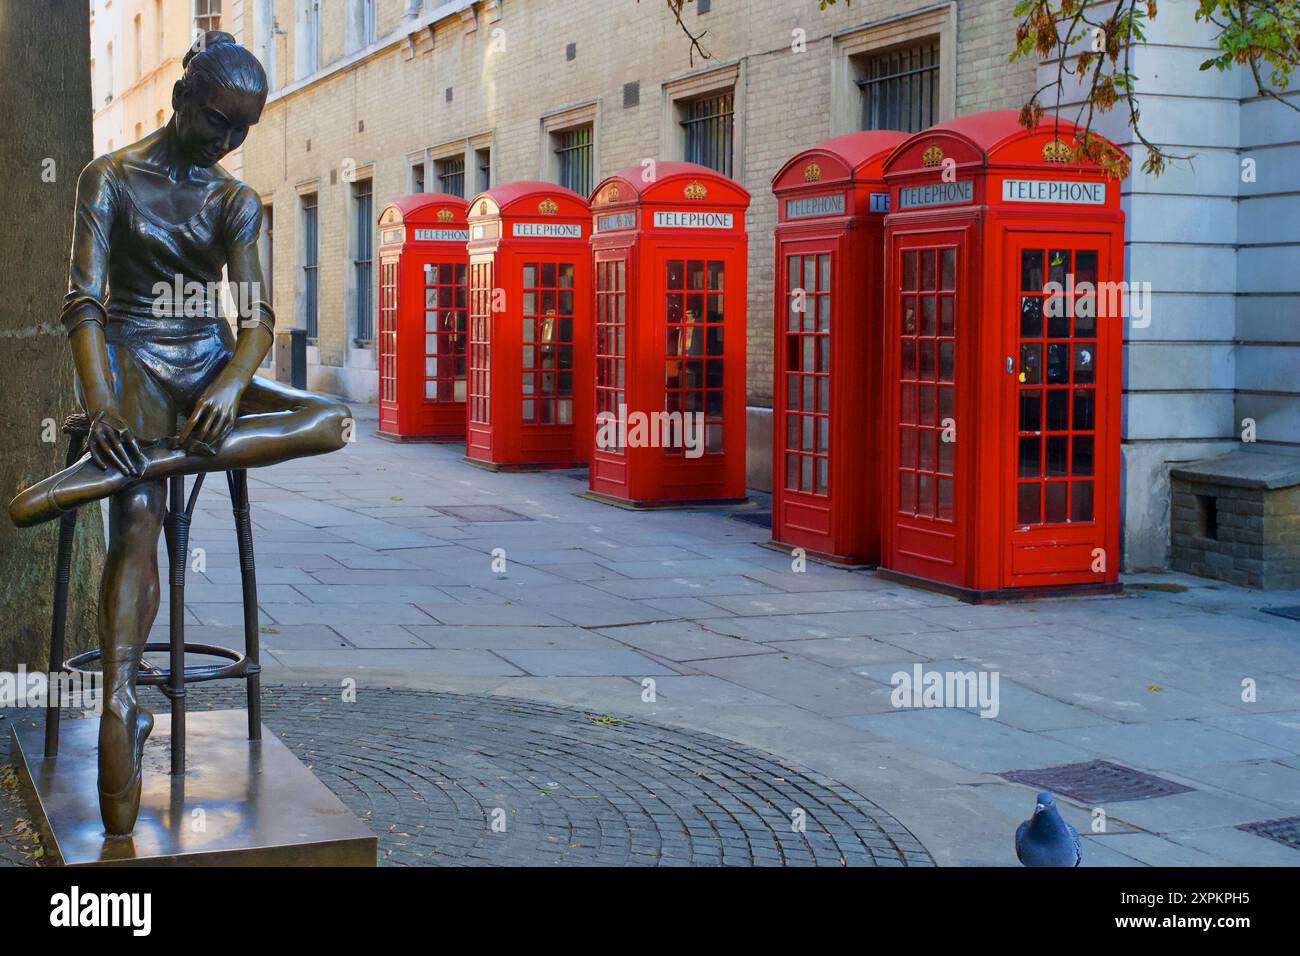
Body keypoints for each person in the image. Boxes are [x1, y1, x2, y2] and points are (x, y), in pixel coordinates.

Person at [9, 32, 350, 835]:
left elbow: (258, 318)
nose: (227, 142)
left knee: (331, 421)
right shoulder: (108, 179)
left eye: (243, 130)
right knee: (138, 518)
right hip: (128, 362)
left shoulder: (232, 201)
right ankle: (120, 697)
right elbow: (83, 304)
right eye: (216, 123)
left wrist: (233, 384)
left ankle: (135, 466)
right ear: (182, 102)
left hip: (206, 371)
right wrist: (102, 409)